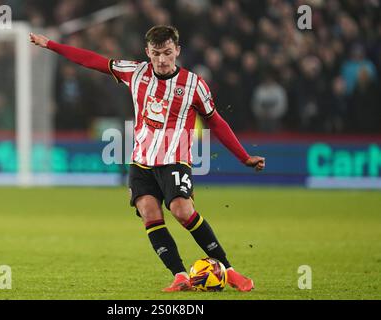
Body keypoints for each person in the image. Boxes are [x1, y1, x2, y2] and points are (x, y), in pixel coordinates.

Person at [30, 26, 265, 292]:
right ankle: (180, 276)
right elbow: (92, 60)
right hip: (141, 161)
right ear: (147, 53)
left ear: (177, 50)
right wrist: (50, 45)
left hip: (175, 159)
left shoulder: (193, 85)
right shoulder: (135, 72)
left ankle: (229, 270)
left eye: (167, 53)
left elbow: (217, 122)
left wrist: (243, 156)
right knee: (149, 213)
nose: (162, 60)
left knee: (181, 210)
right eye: (156, 54)